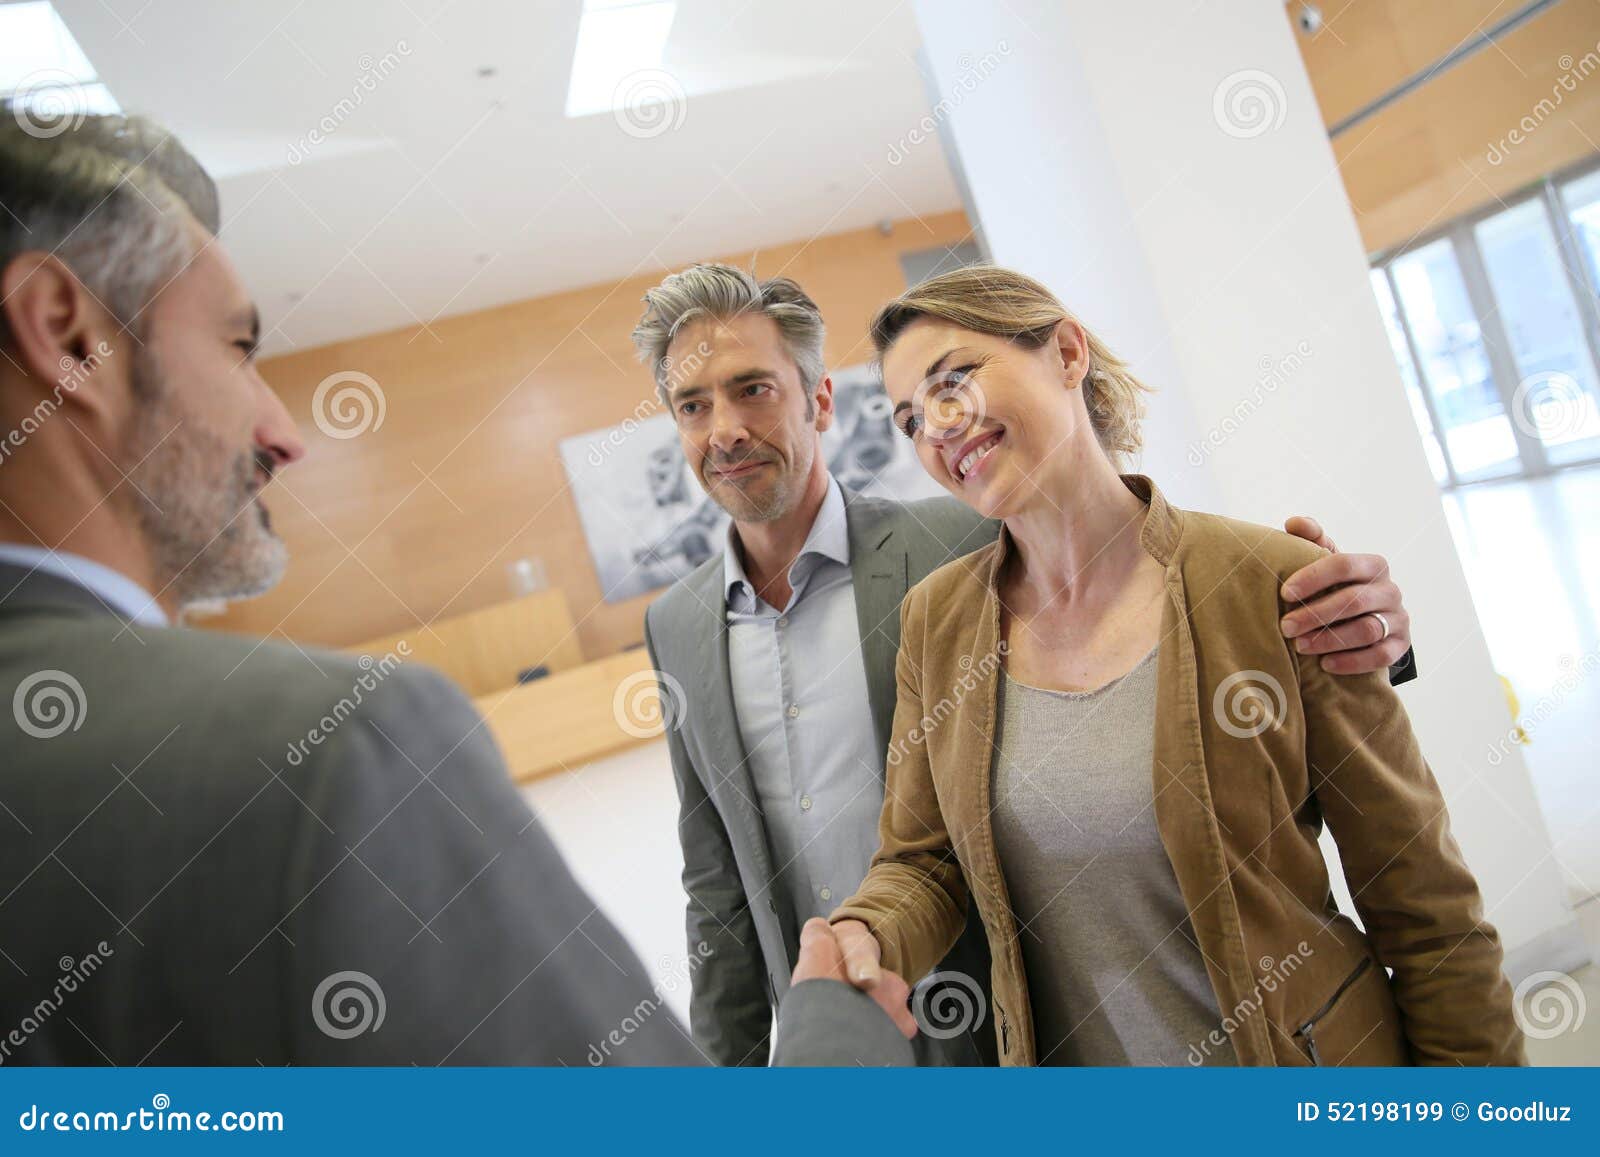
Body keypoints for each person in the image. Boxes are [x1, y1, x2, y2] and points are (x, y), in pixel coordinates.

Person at [0, 115, 912, 1067]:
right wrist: (832, 1026)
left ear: (817, 400)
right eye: (236, 347)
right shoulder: (333, 756)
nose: (285, 436)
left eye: (753, 390)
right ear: (67, 335)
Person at [631, 263, 1420, 1066]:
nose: (724, 428)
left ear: (820, 400)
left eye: (753, 389)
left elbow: (1151, 560)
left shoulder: (958, 538)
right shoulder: (678, 626)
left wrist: (1352, 608)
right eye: (693, 405)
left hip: (1014, 1019)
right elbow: (718, 881)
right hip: (850, 1033)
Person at [823, 264, 1526, 1067]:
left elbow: (1427, 909)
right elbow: (926, 860)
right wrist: (863, 930)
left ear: (1066, 352)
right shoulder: (936, 622)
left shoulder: (1270, 580)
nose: (936, 427)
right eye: (910, 418)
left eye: (955, 382)